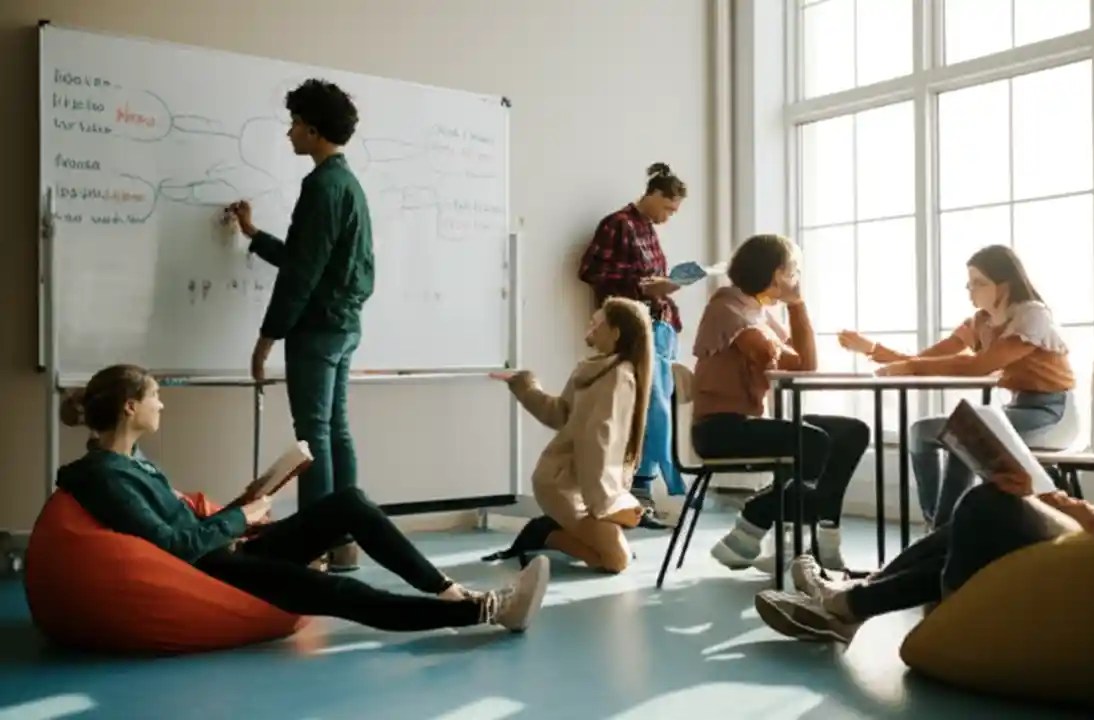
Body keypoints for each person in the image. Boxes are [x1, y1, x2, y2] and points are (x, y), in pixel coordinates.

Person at [755, 327, 1094, 644]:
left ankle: (860, 606)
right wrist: (1058, 503)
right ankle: (851, 602)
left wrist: (1081, 515)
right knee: (988, 502)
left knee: (984, 506)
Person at [56, 364, 550, 635]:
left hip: (225, 551)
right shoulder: (103, 476)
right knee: (337, 593)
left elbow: (179, 523)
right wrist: (238, 519)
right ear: (130, 406)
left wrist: (246, 507)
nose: (161, 403)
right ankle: (484, 611)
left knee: (349, 503)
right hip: (210, 569)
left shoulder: (134, 461)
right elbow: (172, 547)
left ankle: (444, 587)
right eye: (154, 395)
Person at [227, 79, 375, 572]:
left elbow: (301, 274)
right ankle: (344, 542)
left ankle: (312, 544)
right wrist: (253, 235)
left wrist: (267, 338)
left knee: (313, 436)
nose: (289, 132)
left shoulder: (321, 186)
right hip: (344, 325)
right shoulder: (348, 184)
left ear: (312, 131)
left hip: (317, 329)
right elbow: (308, 260)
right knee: (335, 430)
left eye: (294, 124)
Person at [840, 244, 1074, 529]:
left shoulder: (1031, 315)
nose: (970, 289)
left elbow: (980, 366)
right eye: (969, 282)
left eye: (979, 282)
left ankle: (945, 531)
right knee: (921, 432)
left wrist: (912, 366)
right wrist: (872, 348)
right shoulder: (981, 322)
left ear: (1004, 284)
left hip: (1053, 412)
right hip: (1016, 407)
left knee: (964, 433)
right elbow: (925, 359)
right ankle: (938, 525)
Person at [691, 234, 871, 573]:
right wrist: (775, 342)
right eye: (794, 271)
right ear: (777, 275)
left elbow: (805, 365)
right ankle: (761, 524)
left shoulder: (757, 311)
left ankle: (821, 537)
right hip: (721, 428)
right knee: (815, 441)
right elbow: (763, 352)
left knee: (852, 432)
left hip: (749, 423)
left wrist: (796, 305)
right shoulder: (726, 305)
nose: (796, 278)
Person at [484, 298, 654, 573]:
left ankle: (551, 531)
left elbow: (598, 442)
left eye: (596, 322)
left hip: (584, 484)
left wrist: (601, 500)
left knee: (616, 546)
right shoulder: (591, 370)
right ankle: (547, 533)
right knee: (618, 560)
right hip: (565, 484)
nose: (590, 326)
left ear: (616, 333)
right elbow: (563, 417)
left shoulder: (618, 376)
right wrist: (527, 387)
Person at [577, 162, 688, 527]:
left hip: (657, 327)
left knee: (658, 413)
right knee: (642, 412)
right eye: (669, 209)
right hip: (632, 330)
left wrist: (663, 288)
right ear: (654, 195)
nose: (669, 218)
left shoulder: (648, 230)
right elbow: (591, 271)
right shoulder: (618, 224)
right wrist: (641, 286)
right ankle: (636, 498)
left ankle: (644, 494)